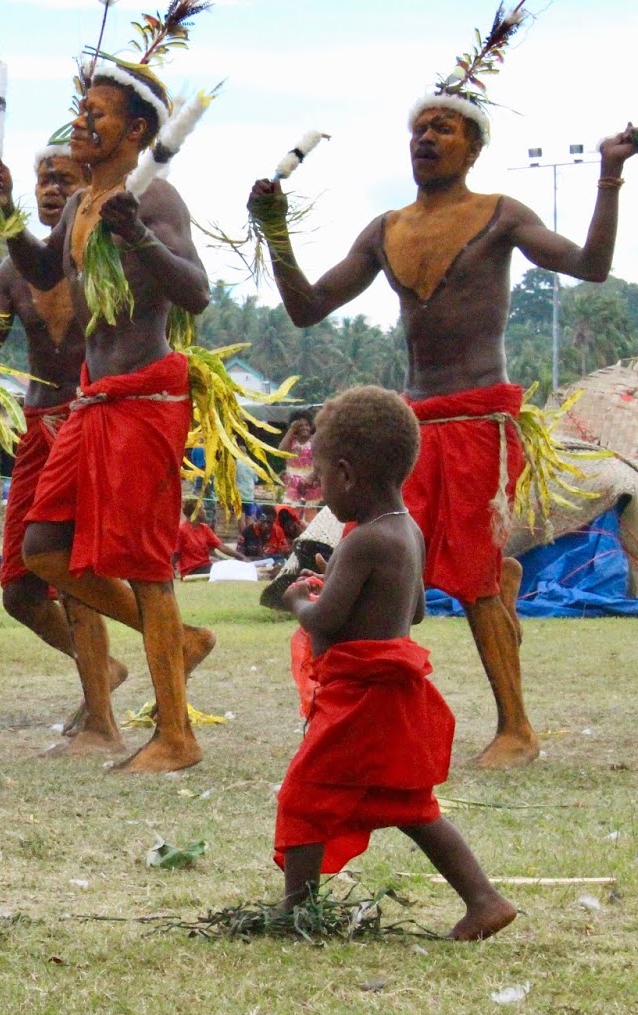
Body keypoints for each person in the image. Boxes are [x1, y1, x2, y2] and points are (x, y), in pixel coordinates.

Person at [246, 6, 633, 767]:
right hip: (412, 426)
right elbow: (307, 308)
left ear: (474, 145)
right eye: (418, 128)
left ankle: (516, 729)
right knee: (375, 566)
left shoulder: (500, 215)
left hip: (480, 419)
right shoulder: (385, 228)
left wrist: (610, 173)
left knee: (476, 578)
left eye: (443, 128)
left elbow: (589, 265)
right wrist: (277, 231)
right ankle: (359, 720)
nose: (425, 137)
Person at [0, 11, 215, 771]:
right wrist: (5, 211)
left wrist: (137, 231)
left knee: (146, 567)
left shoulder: (157, 199)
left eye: (97, 113)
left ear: (136, 131)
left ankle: (176, 735)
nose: (81, 122)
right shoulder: (81, 204)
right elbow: (45, 271)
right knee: (45, 549)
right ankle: (174, 641)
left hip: (143, 397)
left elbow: (196, 293)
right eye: (81, 110)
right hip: (92, 399)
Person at [277, 386, 515, 940]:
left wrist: (297, 598)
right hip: (392, 693)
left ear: (346, 474)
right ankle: (484, 900)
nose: (320, 491)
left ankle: (296, 914)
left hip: (360, 697)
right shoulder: (407, 529)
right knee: (407, 804)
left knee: (303, 797)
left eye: (322, 479)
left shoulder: (363, 541)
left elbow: (325, 621)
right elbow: (415, 611)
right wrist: (340, 577)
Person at [176, 498, 237, 578]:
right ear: (196, 512)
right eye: (203, 509)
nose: (205, 512)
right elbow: (175, 554)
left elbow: (221, 547)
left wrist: (241, 557)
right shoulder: (181, 530)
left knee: (230, 565)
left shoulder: (204, 528)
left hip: (206, 566)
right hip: (191, 570)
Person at [280, 414, 321, 509]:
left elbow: (321, 460)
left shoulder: (314, 440)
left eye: (307, 425)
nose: (304, 428)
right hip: (292, 482)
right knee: (293, 509)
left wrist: (313, 477)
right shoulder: (291, 441)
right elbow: (281, 450)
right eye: (300, 425)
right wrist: (291, 430)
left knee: (310, 509)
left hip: (310, 481)